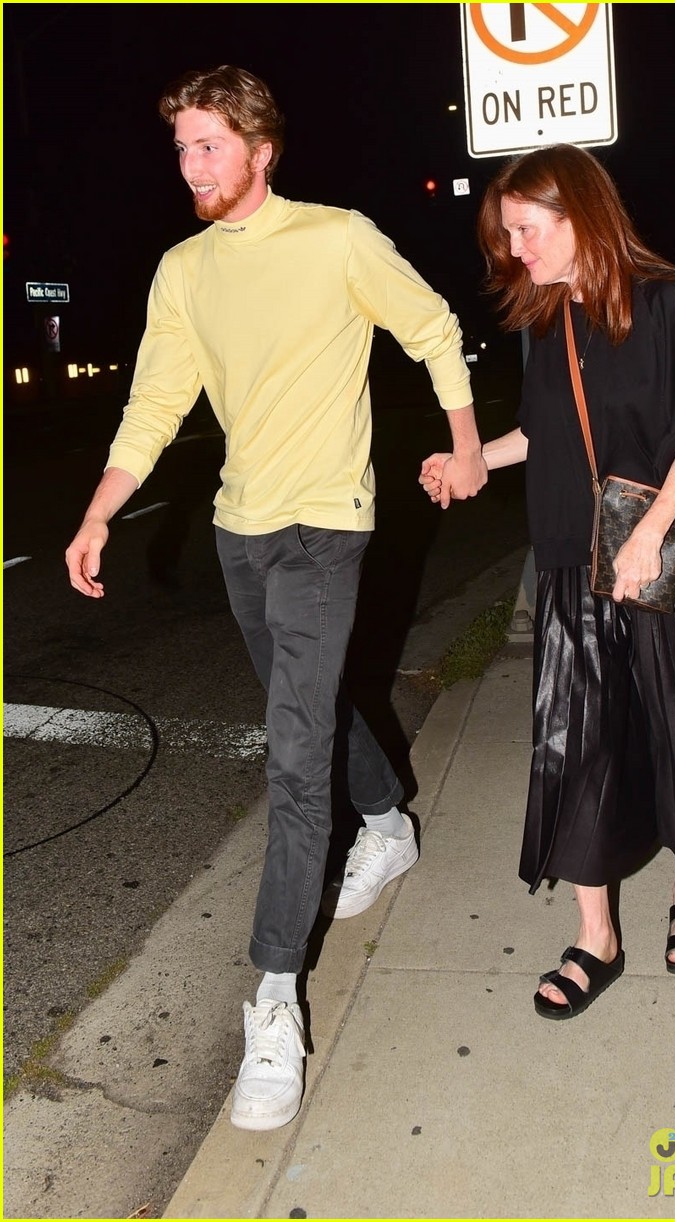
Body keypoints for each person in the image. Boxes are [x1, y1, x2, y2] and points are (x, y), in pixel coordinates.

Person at [65, 64, 487, 1128]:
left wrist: (466, 440)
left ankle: (271, 1000)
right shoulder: (183, 270)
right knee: (311, 705)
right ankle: (387, 816)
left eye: (209, 145)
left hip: (327, 524)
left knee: (291, 757)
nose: (191, 165)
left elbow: (431, 325)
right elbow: (156, 399)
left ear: (261, 149)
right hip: (238, 530)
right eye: (181, 148)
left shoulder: (336, 238)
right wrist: (100, 510)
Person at [420, 144, 675, 1020]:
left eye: (527, 230)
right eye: (509, 235)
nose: (516, 250)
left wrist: (648, 534)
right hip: (575, 555)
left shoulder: (671, 303)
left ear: (579, 214)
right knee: (576, 743)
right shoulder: (547, 323)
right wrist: (471, 461)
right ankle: (595, 934)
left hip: (665, 552)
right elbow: (542, 435)